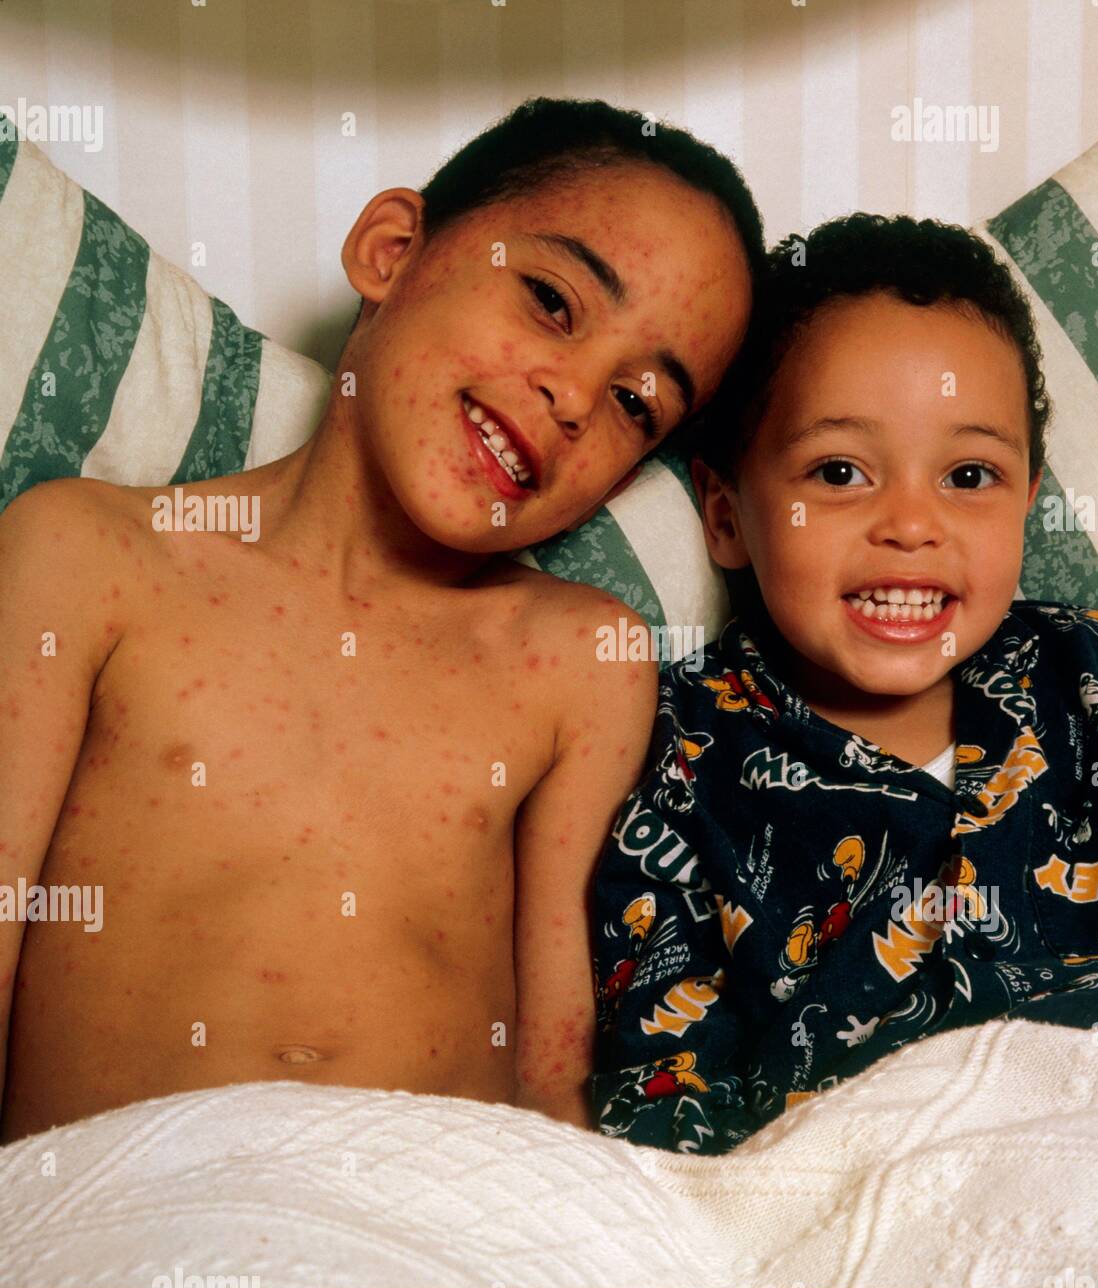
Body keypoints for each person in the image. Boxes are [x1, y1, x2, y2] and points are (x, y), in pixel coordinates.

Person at [0, 97, 762, 1142]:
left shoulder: (579, 657)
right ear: (392, 252)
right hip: (123, 1215)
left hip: (424, 1221)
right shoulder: (89, 558)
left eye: (638, 403)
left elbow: (552, 1051)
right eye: (550, 299)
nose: (576, 396)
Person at [588, 213, 1098, 1155]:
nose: (912, 524)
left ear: (1030, 501)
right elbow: (659, 1110)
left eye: (970, 474)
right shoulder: (676, 765)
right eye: (839, 471)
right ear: (726, 515)